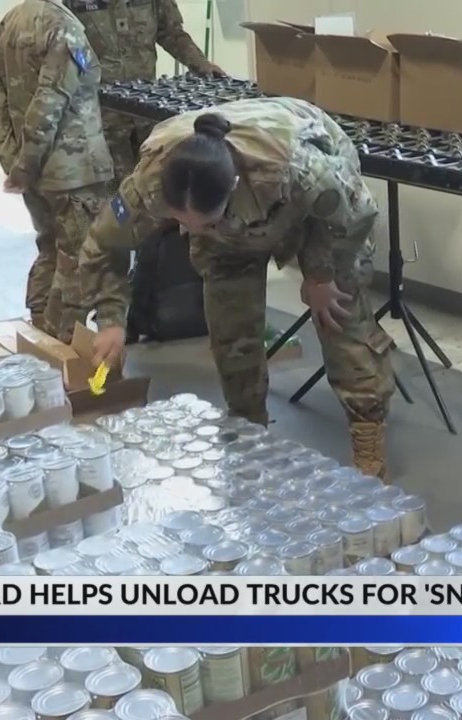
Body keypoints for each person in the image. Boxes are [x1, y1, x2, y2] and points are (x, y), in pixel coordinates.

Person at [78, 97, 396, 478]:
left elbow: (355, 214)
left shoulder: (301, 170)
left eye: (203, 223)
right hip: (229, 236)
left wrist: (319, 276)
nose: (191, 231)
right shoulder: (149, 185)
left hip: (321, 218)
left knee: (339, 313)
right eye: (183, 223)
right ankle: (248, 431)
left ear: (232, 187)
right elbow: (103, 244)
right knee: (231, 331)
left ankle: (367, 434)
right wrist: (111, 320)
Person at [0, 0, 114, 343]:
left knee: (51, 248)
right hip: (72, 171)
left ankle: (38, 331)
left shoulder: (12, 20)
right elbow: (49, 103)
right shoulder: (64, 28)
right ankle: (59, 346)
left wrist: (13, 159)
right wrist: (25, 164)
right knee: (80, 259)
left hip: (36, 171)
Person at [65, 0, 224, 180]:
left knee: (152, 181)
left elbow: (171, 32)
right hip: (100, 118)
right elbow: (63, 46)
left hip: (146, 112)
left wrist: (201, 64)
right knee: (110, 187)